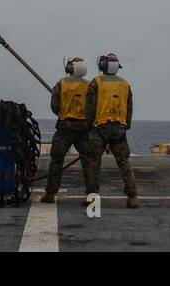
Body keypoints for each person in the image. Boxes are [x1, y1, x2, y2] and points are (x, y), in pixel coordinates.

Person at [82, 53, 139, 209]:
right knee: (124, 162)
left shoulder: (96, 82)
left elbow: (89, 107)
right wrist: (126, 126)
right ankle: (132, 196)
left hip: (99, 128)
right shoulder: (125, 84)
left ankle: (92, 197)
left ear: (103, 66)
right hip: (119, 129)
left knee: (93, 163)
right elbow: (129, 108)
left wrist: (88, 126)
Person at [40, 56, 93, 203]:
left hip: (65, 128)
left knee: (57, 160)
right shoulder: (90, 85)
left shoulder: (61, 84)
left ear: (70, 68)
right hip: (84, 129)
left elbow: (54, 105)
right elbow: (93, 107)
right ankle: (92, 195)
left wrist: (63, 113)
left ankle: (50, 193)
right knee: (89, 162)